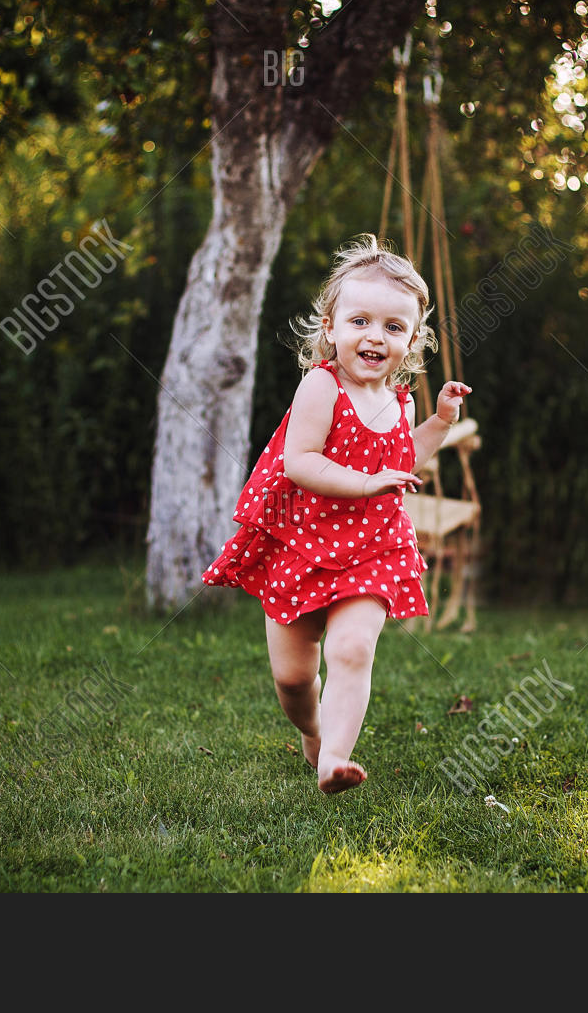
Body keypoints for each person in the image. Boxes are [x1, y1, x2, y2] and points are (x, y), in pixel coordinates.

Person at [202, 235, 472, 793]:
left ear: (413, 341)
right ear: (331, 326)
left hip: (373, 546)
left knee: (352, 648)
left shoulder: (402, 400)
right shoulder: (320, 388)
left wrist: (440, 422)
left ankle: (335, 761)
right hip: (301, 544)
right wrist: (368, 482)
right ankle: (313, 732)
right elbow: (301, 463)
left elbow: (400, 458)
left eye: (394, 327)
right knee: (294, 678)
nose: (375, 336)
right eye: (360, 321)